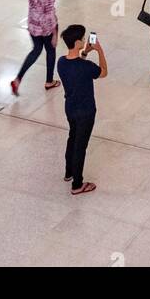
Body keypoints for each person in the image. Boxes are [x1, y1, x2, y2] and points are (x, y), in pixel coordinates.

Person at [58, 24, 107, 195]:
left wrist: (85, 52)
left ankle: (68, 172)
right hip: (85, 112)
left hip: (70, 109)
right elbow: (103, 72)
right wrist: (99, 51)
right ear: (78, 42)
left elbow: (77, 69)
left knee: (72, 138)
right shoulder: (86, 67)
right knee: (81, 146)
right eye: (83, 38)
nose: (85, 40)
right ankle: (77, 185)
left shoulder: (61, 63)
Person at [11, 0, 59, 96]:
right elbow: (49, 13)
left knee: (36, 50)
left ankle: (18, 78)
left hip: (33, 24)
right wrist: (54, 32)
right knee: (50, 51)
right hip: (45, 27)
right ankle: (49, 81)